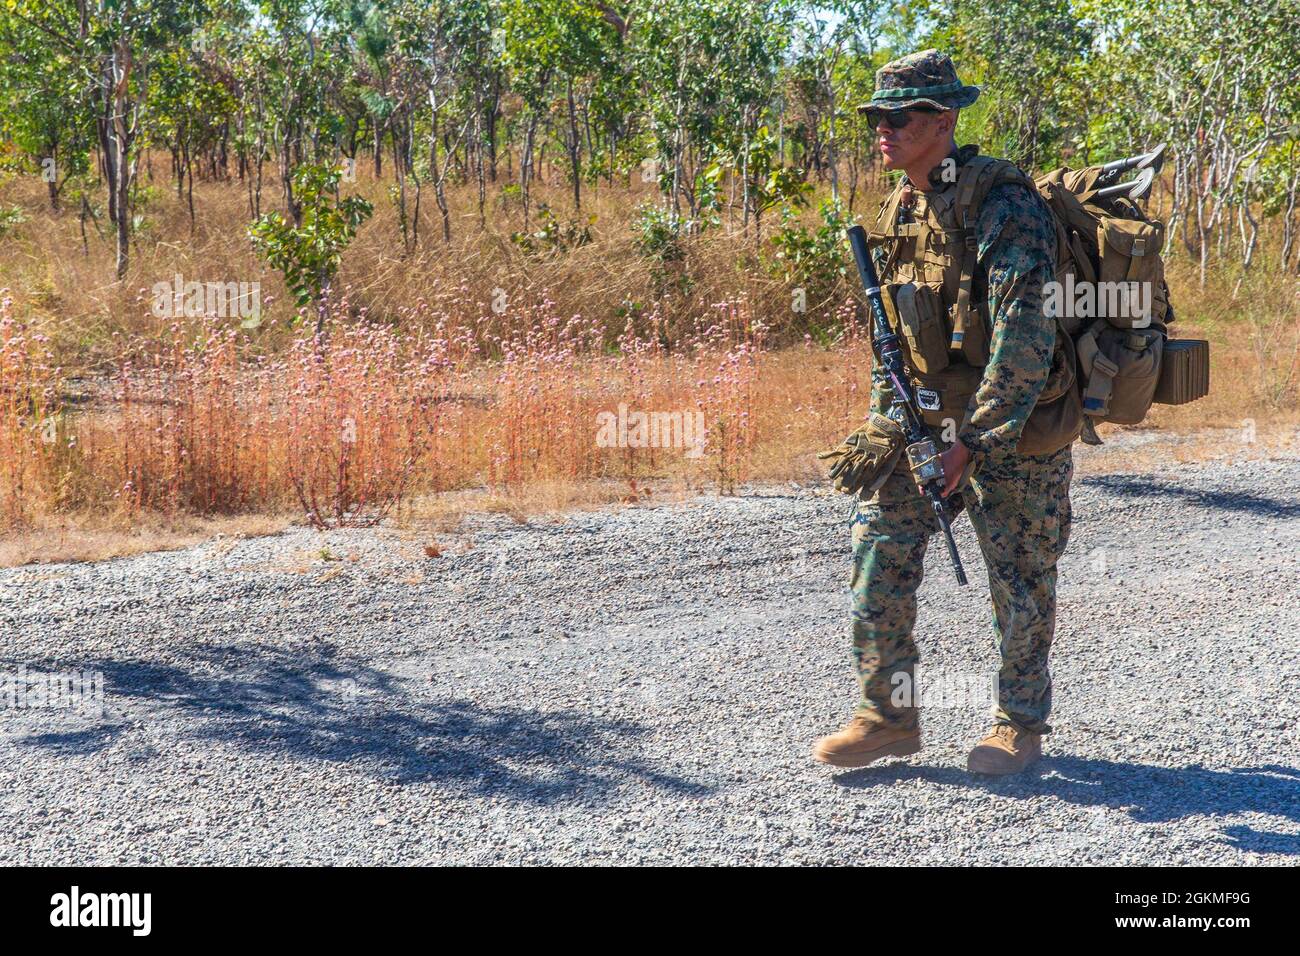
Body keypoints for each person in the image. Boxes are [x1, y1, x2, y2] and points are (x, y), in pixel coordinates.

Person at [812, 49, 1081, 775]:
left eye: (898, 117)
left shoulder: (1005, 205)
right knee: (879, 550)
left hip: (1013, 429)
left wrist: (979, 443)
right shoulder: (903, 205)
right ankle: (887, 716)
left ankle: (1018, 723)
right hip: (924, 423)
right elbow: (891, 337)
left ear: (944, 119)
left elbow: (1026, 335)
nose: (883, 129)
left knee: (1019, 579)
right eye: (877, 117)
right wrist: (884, 424)